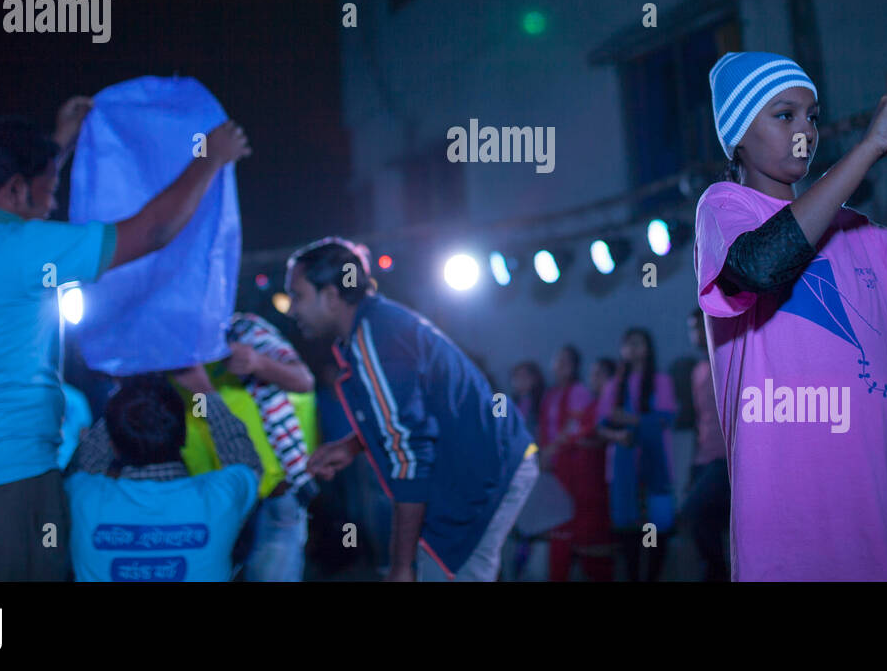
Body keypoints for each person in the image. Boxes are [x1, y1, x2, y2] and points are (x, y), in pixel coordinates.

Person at [0, 99, 251, 580]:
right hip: (2, 488)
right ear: (17, 188)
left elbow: (2, 200)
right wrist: (209, 155)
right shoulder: (24, 250)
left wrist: (56, 147)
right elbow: (153, 231)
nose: (54, 204)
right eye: (50, 190)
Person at [694, 53, 887, 580]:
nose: (805, 130)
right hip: (800, 524)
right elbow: (757, 266)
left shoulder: (857, 232)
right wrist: (869, 149)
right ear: (737, 134)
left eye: (812, 116)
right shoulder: (724, 209)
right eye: (784, 115)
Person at [291, 238, 538, 581]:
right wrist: (351, 446)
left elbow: (411, 458)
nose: (292, 309)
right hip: (485, 462)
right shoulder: (375, 327)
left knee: (441, 570)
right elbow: (411, 416)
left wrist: (401, 567)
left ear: (332, 296)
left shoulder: (373, 340)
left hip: (486, 471)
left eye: (298, 296)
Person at [65, 365, 262, 581]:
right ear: (184, 436)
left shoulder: (80, 496)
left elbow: (80, 464)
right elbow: (245, 461)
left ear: (112, 445)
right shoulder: (219, 498)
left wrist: (125, 398)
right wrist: (203, 392)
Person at [224, 311, 318, 582]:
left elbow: (304, 380)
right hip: (212, 499)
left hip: (273, 494)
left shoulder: (244, 331)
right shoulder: (172, 345)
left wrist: (257, 363)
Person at [598, 327, 677, 582]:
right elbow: (601, 426)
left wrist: (629, 420)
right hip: (623, 468)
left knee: (656, 529)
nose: (632, 348)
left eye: (638, 343)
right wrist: (619, 435)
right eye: (628, 343)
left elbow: (665, 418)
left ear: (648, 348)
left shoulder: (660, 380)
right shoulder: (613, 386)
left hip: (655, 465)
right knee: (628, 532)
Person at [539, 344, 613, 581]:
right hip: (553, 466)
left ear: (574, 367)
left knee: (579, 527)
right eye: (557, 360)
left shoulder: (580, 393)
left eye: (566, 362)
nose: (560, 366)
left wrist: (552, 450)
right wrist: (542, 454)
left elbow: (577, 431)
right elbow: (545, 431)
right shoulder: (550, 394)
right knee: (558, 526)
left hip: (576, 470)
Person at [680, 308, 731, 581]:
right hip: (704, 457)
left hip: (727, 458)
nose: (695, 334)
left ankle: (719, 574)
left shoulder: (728, 359)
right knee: (703, 518)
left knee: (694, 509)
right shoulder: (697, 370)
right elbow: (700, 421)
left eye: (700, 327)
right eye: (692, 329)